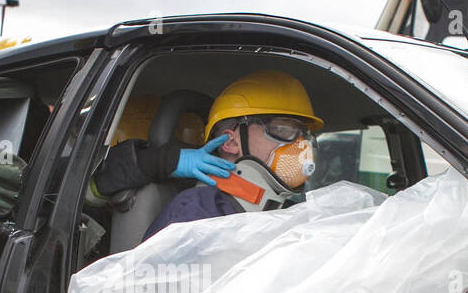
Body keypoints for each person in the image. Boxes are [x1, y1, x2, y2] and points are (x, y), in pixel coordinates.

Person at [92, 70, 324, 239]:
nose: (301, 145)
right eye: (283, 130)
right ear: (231, 141)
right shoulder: (196, 213)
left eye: (304, 134)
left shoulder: (291, 213)